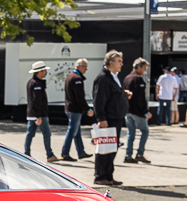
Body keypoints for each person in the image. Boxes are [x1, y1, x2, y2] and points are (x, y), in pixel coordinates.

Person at [91, 50, 129, 186]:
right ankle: (100, 175)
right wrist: (101, 118)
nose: (122, 64)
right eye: (119, 61)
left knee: (112, 148)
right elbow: (99, 99)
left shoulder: (114, 77)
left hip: (116, 117)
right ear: (110, 62)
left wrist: (123, 94)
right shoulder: (103, 78)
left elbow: (112, 93)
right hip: (108, 118)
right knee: (104, 148)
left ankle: (109, 175)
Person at [60, 58, 93, 162]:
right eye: (85, 67)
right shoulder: (77, 78)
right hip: (74, 109)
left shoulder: (70, 76)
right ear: (78, 66)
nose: (86, 70)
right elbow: (79, 97)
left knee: (76, 131)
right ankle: (65, 153)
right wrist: (87, 109)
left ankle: (81, 152)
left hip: (69, 108)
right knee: (72, 131)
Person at [24, 61, 57, 162]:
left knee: (30, 134)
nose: (46, 72)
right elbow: (36, 101)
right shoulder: (37, 84)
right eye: (44, 70)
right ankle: (49, 154)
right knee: (46, 133)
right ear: (39, 72)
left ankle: (26, 153)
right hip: (39, 115)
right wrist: (38, 116)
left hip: (31, 114)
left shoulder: (31, 82)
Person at [122, 58, 152, 164]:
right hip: (137, 111)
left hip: (127, 110)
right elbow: (140, 97)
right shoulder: (138, 79)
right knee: (145, 131)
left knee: (131, 133)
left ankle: (128, 154)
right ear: (138, 67)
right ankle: (140, 154)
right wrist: (145, 111)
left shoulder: (126, 78)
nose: (144, 71)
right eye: (144, 68)